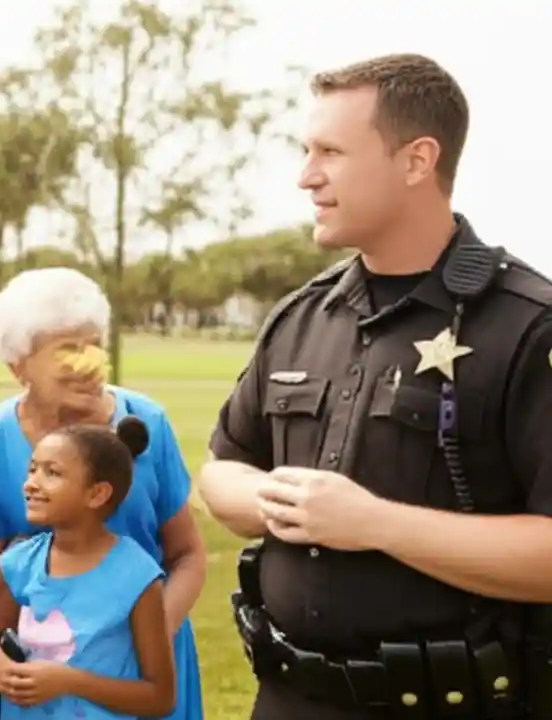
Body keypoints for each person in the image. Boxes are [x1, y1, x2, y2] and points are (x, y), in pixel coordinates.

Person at [199, 53, 552, 720]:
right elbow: (224, 467)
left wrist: (374, 525)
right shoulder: (301, 316)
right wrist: (276, 499)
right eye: (307, 151)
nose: (307, 176)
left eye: (330, 151)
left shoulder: (526, 328)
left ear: (418, 161)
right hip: (288, 700)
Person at [0, 267, 206, 720]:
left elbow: (188, 555)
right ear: (19, 365)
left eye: (93, 343)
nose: (89, 362)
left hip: (149, 673)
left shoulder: (146, 421)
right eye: (67, 350)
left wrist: (144, 640)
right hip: (49, 684)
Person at [0, 416, 176, 719]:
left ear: (97, 493)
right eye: (33, 468)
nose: (31, 483)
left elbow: (159, 697)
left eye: (52, 473)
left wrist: (70, 682)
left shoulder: (136, 576)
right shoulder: (15, 566)